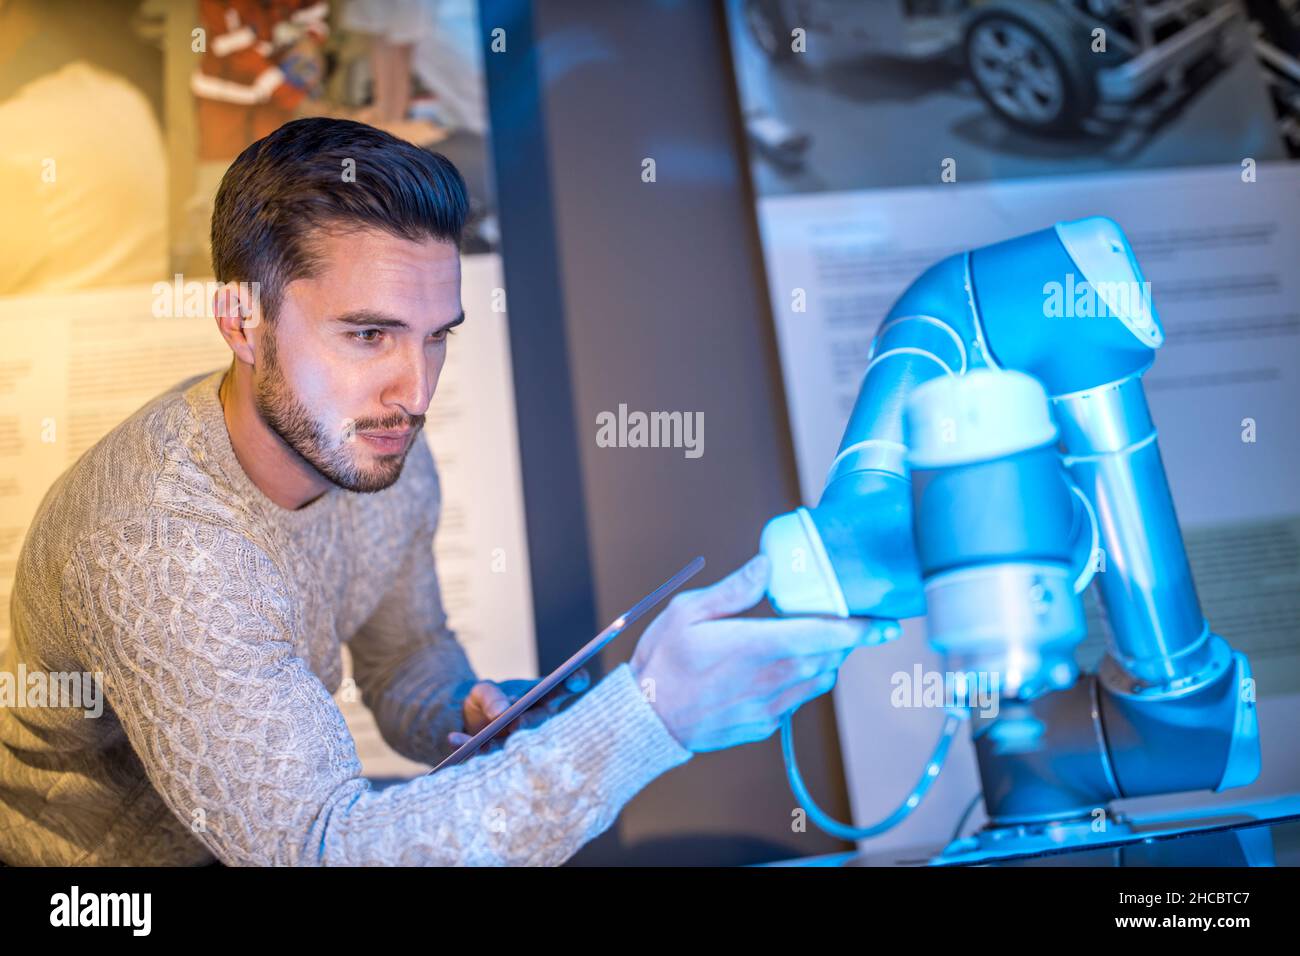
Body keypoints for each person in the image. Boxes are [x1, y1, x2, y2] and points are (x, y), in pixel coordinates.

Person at [0, 118, 875, 866]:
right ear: (242, 320)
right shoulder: (158, 545)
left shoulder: (379, 450)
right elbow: (325, 851)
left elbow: (405, 649)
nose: (414, 393)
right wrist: (650, 719)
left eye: (435, 338)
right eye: (369, 333)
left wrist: (462, 707)